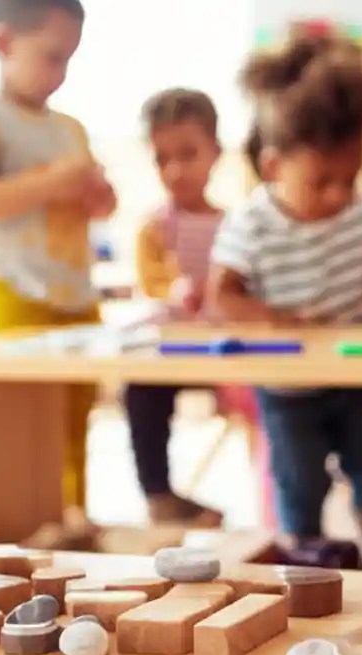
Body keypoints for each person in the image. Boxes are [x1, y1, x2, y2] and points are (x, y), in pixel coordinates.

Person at [206, 35, 362, 569]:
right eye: (322, 183)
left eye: (351, 178)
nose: (340, 195)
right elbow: (221, 295)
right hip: (287, 385)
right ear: (274, 166)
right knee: (298, 477)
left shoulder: (358, 213)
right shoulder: (252, 224)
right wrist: (273, 318)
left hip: (355, 373)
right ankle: (303, 549)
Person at [0, 0, 116, 524]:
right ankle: (17, 524)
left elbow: (102, 204)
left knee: (74, 421)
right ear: (3, 43)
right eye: (51, 56)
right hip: (9, 294)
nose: (61, 73)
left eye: (69, 58)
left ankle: (73, 519)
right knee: (15, 423)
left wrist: (97, 194)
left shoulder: (71, 129)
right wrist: (51, 182)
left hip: (74, 296)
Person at [125, 88, 232, 527]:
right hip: (174, 345)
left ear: (215, 154)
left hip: (228, 346)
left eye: (188, 154)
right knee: (141, 388)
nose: (175, 170)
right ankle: (159, 494)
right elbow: (150, 282)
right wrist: (175, 289)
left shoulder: (232, 224)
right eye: (161, 158)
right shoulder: (154, 227)